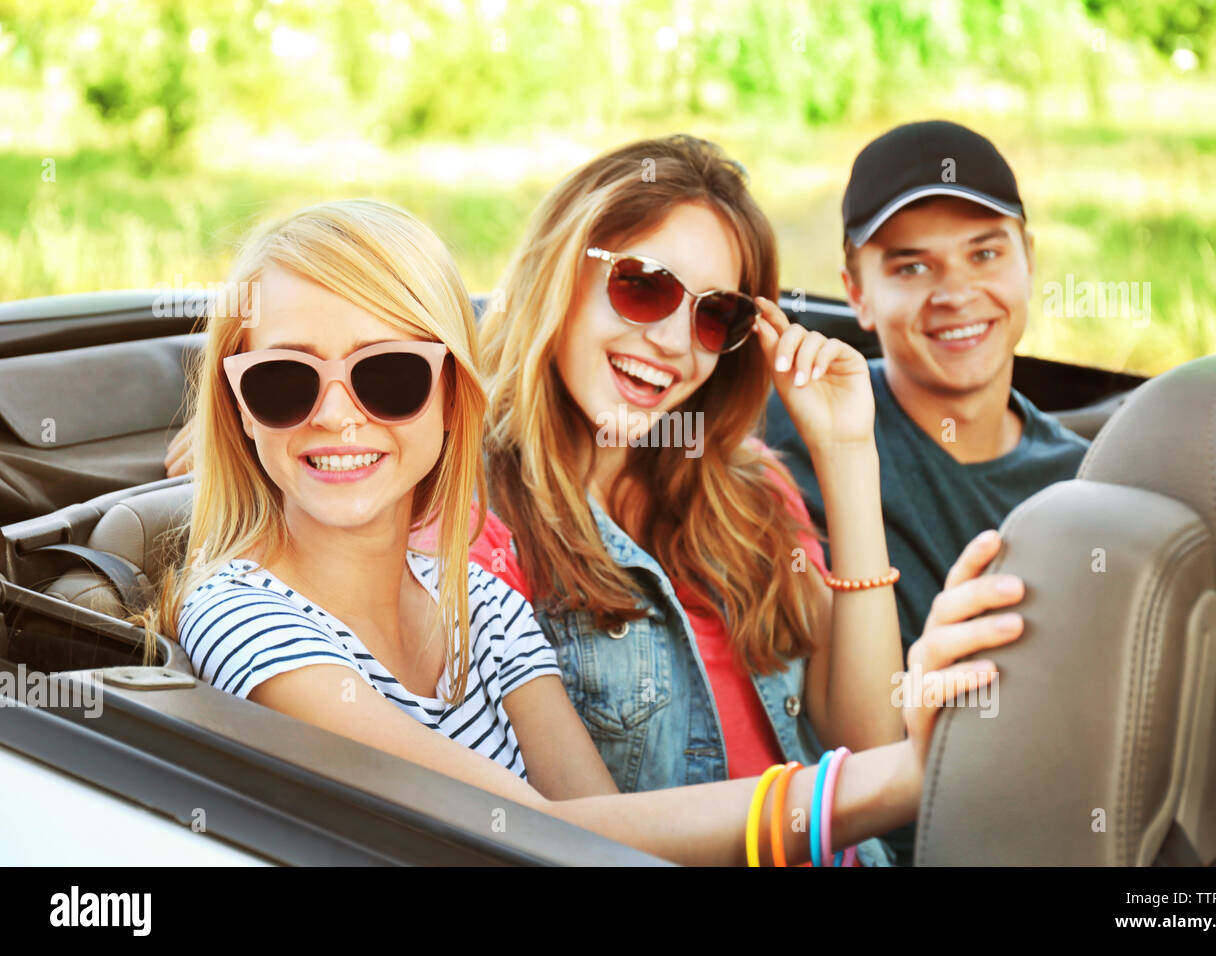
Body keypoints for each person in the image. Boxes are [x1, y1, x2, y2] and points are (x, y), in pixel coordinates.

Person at [141, 198, 1023, 866]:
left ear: (451, 394)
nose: (336, 417)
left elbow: (598, 845)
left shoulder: (479, 605)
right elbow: (538, 835)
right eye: (286, 385)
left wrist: (848, 455)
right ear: (237, 404)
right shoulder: (242, 610)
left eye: (391, 378)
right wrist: (889, 779)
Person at [763, 119, 1090, 863]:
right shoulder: (799, 434)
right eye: (910, 267)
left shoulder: (1085, 482)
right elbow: (859, 748)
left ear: (1029, 262)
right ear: (857, 294)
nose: (956, 293)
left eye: (985, 253)